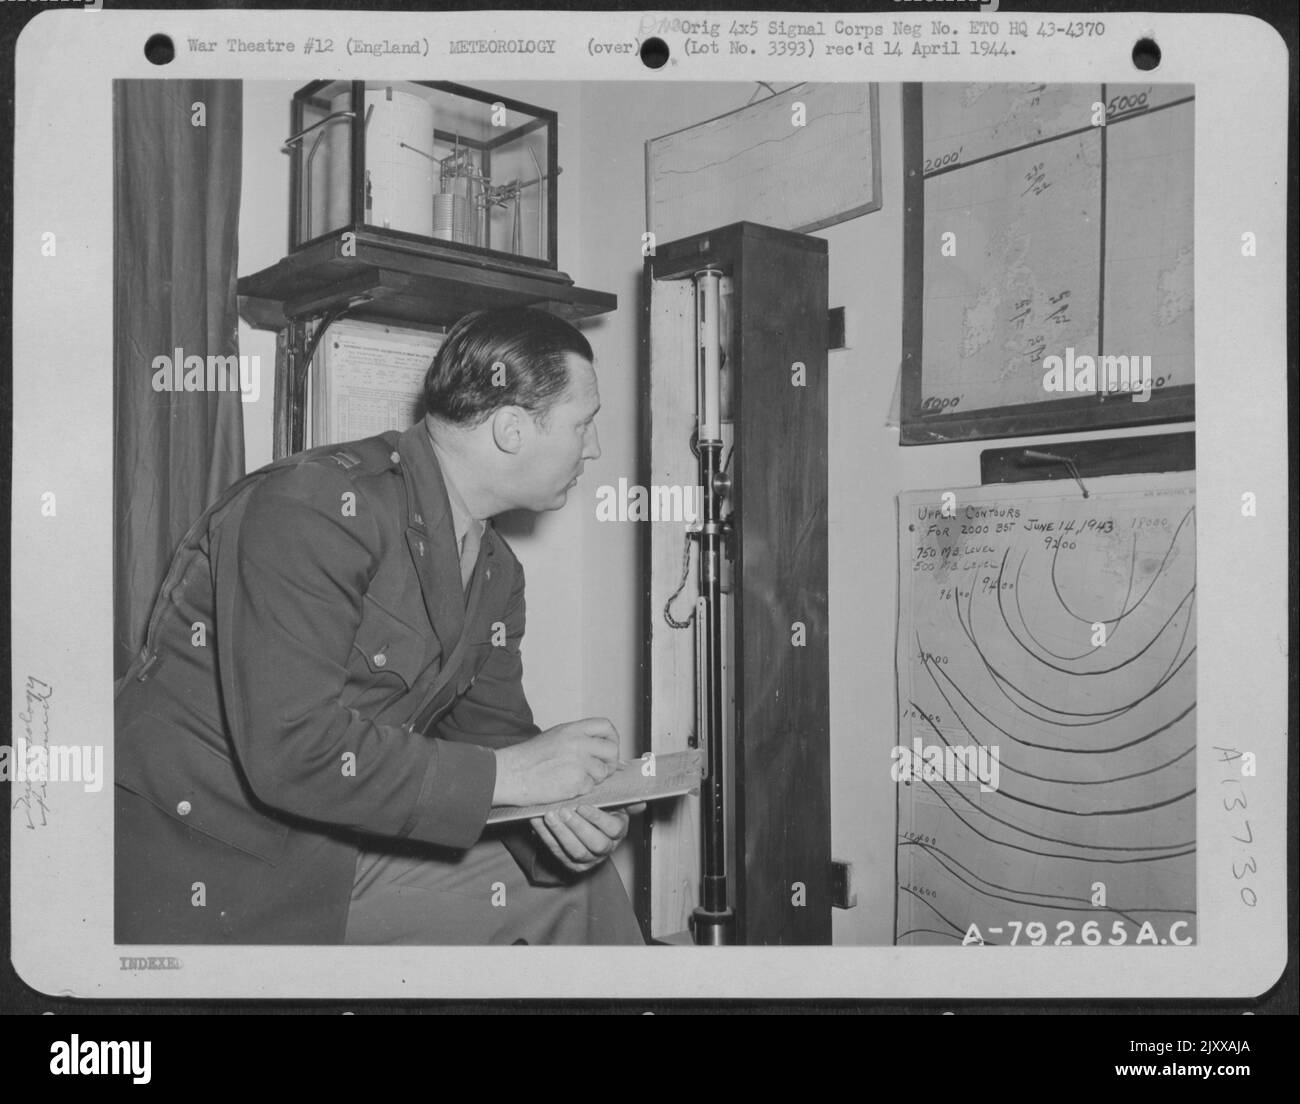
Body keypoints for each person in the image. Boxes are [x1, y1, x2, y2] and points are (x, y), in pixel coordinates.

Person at [115, 308, 645, 945]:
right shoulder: (312, 505)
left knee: (579, 891)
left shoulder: (498, 573)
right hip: (201, 853)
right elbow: (294, 749)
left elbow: (496, 740)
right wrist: (520, 775)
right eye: (583, 423)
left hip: (331, 843)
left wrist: (566, 815)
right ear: (511, 429)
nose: (593, 447)